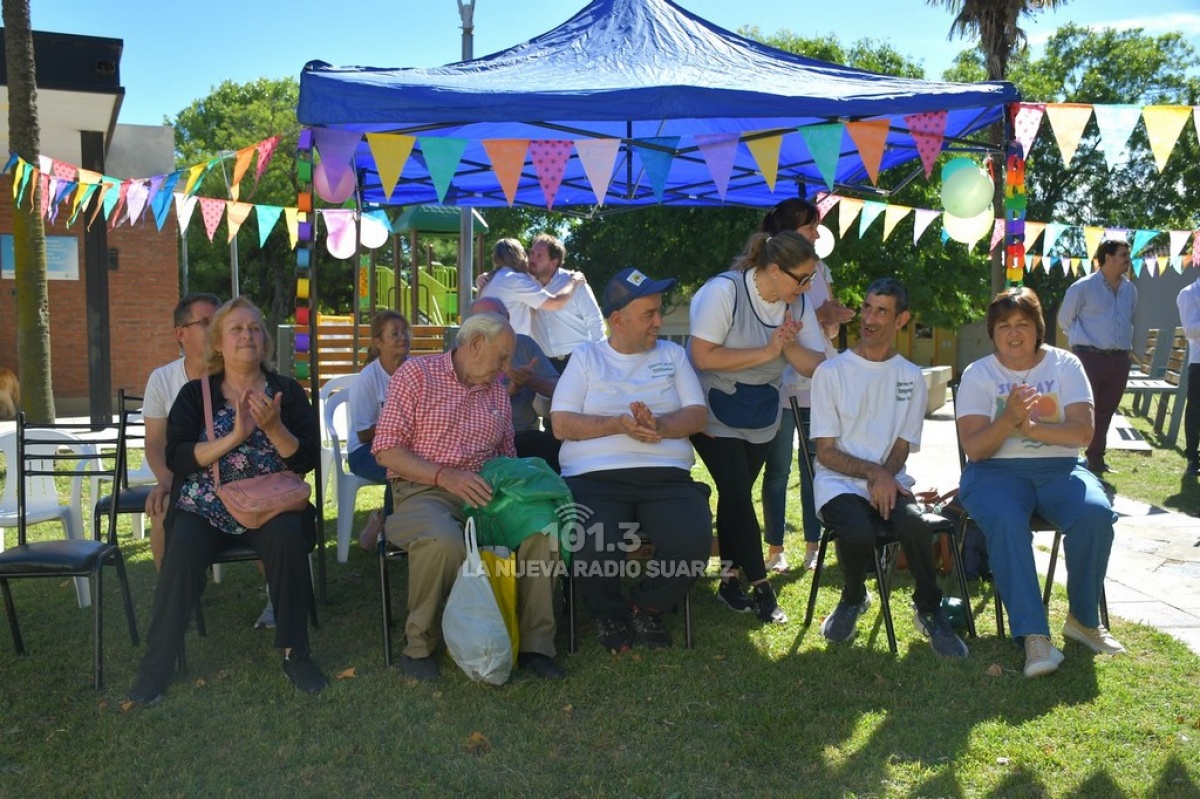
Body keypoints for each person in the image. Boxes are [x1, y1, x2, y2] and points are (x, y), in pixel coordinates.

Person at [128, 297, 328, 703]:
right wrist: (234, 437)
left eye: (254, 328)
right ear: (218, 342)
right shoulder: (193, 395)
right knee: (181, 547)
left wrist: (274, 429)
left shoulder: (286, 393)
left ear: (265, 341)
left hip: (272, 505)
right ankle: (157, 667)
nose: (246, 335)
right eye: (236, 329)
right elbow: (177, 456)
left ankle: (296, 653)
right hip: (207, 505)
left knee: (288, 535)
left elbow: (306, 458)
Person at [372, 312, 564, 682]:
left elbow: (507, 453)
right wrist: (446, 476)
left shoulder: (496, 390)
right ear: (476, 344)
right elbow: (386, 450)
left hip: (486, 490)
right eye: (503, 357)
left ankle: (535, 645)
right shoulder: (416, 375)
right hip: (424, 488)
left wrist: (519, 486)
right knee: (443, 541)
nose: (507, 369)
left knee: (544, 530)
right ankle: (419, 646)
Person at [957, 287, 1125, 676]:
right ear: (992, 332)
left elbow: (1082, 434)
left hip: (1060, 471)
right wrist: (1008, 419)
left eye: (1022, 324)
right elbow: (977, 449)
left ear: (1038, 329)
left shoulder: (1066, 365)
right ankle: (1035, 638)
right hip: (994, 474)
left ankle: (1083, 620)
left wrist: (1030, 426)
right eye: (1004, 326)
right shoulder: (978, 374)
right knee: (1005, 521)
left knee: (1095, 515)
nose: (1013, 334)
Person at [552, 268, 711, 651]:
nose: (659, 321)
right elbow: (560, 423)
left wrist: (660, 424)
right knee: (591, 540)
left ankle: (646, 605)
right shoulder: (587, 357)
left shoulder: (672, 355)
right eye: (649, 315)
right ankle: (608, 613)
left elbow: (697, 414)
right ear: (617, 320)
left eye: (658, 312)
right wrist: (618, 424)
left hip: (665, 479)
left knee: (692, 540)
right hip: (594, 478)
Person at [811, 278, 967, 659]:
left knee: (915, 523)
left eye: (882, 311)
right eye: (866, 307)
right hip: (838, 484)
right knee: (857, 529)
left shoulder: (911, 377)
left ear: (901, 320)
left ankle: (928, 609)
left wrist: (884, 476)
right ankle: (853, 597)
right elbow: (826, 453)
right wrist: (874, 474)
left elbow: (901, 447)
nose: (869, 318)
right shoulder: (831, 373)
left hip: (889, 479)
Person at [688, 231, 828, 624]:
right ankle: (763, 590)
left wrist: (787, 348)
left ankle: (730, 581)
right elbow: (702, 357)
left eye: (810, 279)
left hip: (762, 410)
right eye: (802, 278)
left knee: (735, 496)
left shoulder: (797, 302)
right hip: (712, 405)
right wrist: (768, 351)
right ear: (771, 270)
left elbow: (816, 364)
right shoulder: (724, 291)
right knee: (735, 490)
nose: (807, 287)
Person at [758, 199, 854, 573]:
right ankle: (775, 548)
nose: (817, 233)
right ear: (785, 233)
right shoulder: (766, 271)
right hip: (778, 381)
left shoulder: (821, 268)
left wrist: (832, 320)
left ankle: (814, 545)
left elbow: (824, 330)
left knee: (815, 464)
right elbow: (773, 323)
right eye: (810, 227)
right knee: (778, 468)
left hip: (815, 382)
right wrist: (819, 316)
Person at [143, 292, 221, 571]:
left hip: (237, 473)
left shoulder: (240, 373)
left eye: (220, 320)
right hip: (183, 475)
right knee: (161, 509)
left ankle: (274, 598)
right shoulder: (162, 379)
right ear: (181, 333)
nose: (217, 328)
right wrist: (167, 480)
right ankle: (173, 601)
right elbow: (154, 442)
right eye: (206, 322)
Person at [1058, 240, 1136, 475]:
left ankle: (1096, 459)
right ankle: (1066, 457)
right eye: (1123, 254)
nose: (1127, 259)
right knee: (1079, 409)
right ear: (1108, 257)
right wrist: (1082, 343)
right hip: (1088, 358)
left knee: (1106, 410)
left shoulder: (1130, 289)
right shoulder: (1083, 286)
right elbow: (1064, 320)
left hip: (1120, 359)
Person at [471, 296, 562, 472]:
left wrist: (530, 380)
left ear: (508, 318)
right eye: (482, 319)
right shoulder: (463, 352)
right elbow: (456, 401)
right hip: (478, 439)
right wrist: (509, 391)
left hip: (523, 435)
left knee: (556, 451)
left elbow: (559, 389)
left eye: (495, 317)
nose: (490, 324)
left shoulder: (524, 345)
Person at [347, 309, 411, 551]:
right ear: (378, 342)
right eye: (395, 334)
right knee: (400, 471)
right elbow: (363, 434)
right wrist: (399, 423)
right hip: (365, 451)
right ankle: (389, 536)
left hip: (407, 446)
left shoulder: (417, 370)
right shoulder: (368, 378)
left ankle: (396, 527)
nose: (403, 337)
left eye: (405, 332)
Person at [527, 233, 606, 374]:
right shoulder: (525, 284)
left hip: (580, 361)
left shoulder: (575, 282)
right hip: (545, 365)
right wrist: (485, 278)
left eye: (539, 255)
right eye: (532, 253)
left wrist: (602, 358)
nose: (532, 259)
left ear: (554, 262)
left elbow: (595, 321)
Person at [480, 237, 586, 339]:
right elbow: (555, 303)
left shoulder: (492, 279)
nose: (529, 259)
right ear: (518, 256)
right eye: (526, 253)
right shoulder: (516, 280)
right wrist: (573, 281)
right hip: (509, 350)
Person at [1177, 277, 1200, 477]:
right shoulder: (1188, 293)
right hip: (1199, 361)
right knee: (1195, 410)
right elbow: (1190, 330)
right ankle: (1193, 457)